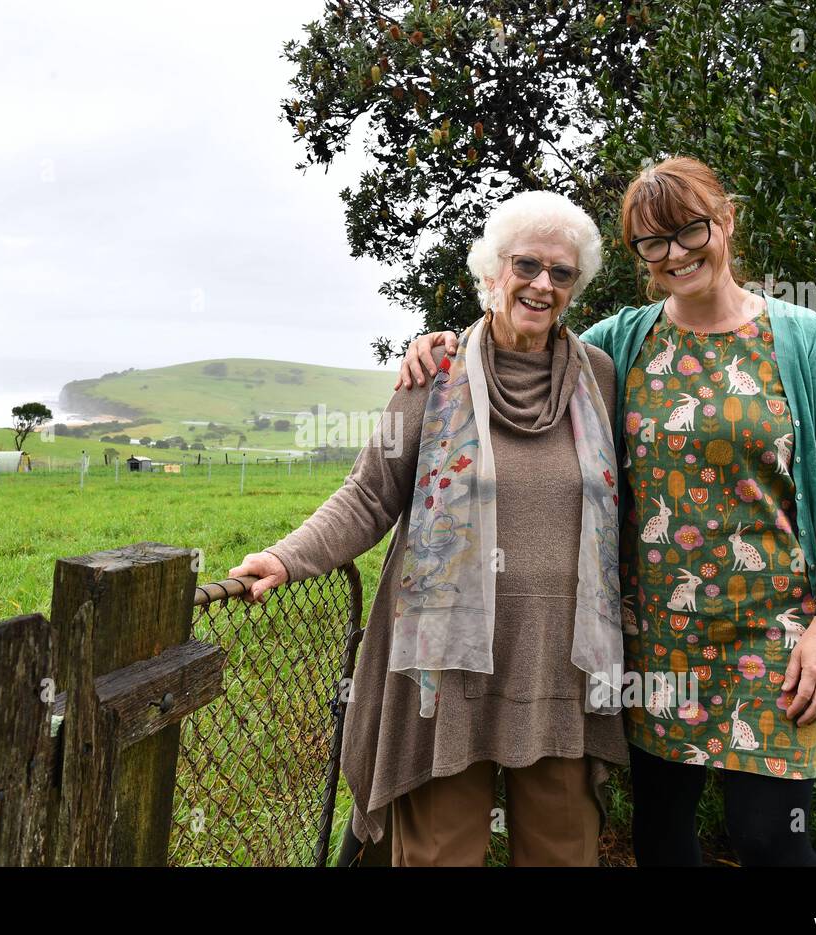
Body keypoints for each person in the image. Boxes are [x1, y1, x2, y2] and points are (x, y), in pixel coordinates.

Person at [394, 157, 816, 866]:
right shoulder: (623, 342)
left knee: (772, 840)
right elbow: (521, 340)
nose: (675, 253)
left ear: (726, 222)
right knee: (663, 839)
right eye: (653, 242)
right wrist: (440, 344)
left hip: (778, 637)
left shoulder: (800, 339)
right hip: (657, 642)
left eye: (689, 231)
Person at [229, 191, 628, 866]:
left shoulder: (599, 375)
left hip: (560, 664)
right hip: (445, 666)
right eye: (526, 265)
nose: (542, 284)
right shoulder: (431, 375)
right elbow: (366, 495)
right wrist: (285, 558)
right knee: (440, 854)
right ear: (489, 276)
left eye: (562, 273)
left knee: (565, 852)